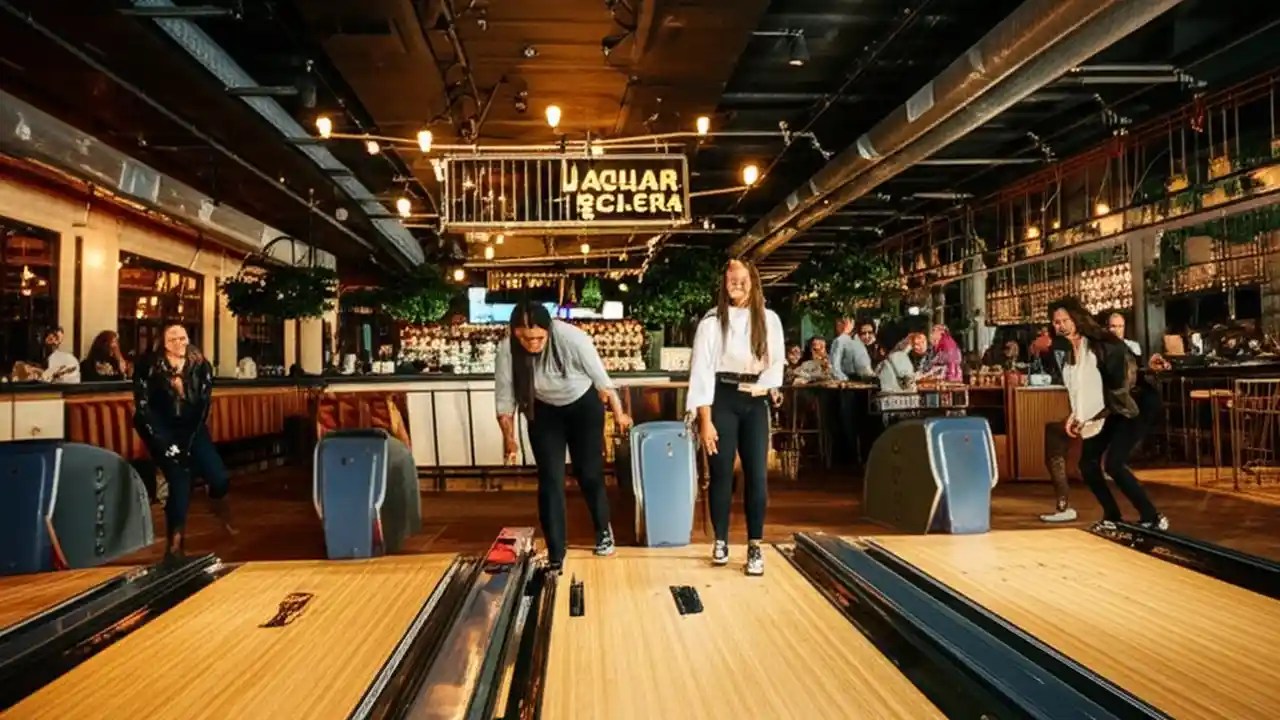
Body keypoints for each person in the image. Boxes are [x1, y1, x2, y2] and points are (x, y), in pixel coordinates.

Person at [494, 302, 633, 572]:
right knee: (550, 479)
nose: (531, 344)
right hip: (544, 411)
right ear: (514, 333)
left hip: (583, 406)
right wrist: (509, 440)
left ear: (549, 330)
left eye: (538, 338)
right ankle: (556, 551)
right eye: (524, 338)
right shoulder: (507, 350)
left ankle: (603, 530)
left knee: (589, 473)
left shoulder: (572, 338)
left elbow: (602, 380)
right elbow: (504, 399)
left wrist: (619, 414)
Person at [688, 258, 784, 576]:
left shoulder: (769, 320)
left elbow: (776, 362)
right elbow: (701, 371)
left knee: (757, 475)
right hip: (721, 399)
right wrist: (705, 419)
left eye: (742, 279)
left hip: (754, 402)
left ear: (753, 283)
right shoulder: (711, 323)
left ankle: (755, 546)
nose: (737, 284)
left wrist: (764, 387)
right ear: (724, 284)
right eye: (732, 280)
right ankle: (721, 541)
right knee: (721, 474)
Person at [1051, 297, 1168, 531]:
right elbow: (1078, 388)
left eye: (1065, 319)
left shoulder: (1101, 343)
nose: (1061, 325)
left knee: (1114, 463)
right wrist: (1075, 416)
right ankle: (1112, 515)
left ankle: (1154, 517)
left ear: (1076, 319)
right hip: (1109, 410)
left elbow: (1118, 386)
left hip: (1133, 405)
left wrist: (1086, 417)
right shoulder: (1067, 351)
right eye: (1056, 321)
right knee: (1088, 464)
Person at [132, 323, 232, 557]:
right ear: (163, 344)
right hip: (162, 430)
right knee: (179, 481)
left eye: (183, 338)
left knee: (219, 478)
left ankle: (215, 501)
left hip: (193, 428)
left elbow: (203, 406)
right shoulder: (148, 366)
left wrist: (183, 392)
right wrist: (164, 444)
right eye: (173, 339)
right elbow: (144, 409)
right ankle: (175, 544)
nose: (180, 343)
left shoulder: (200, 365)